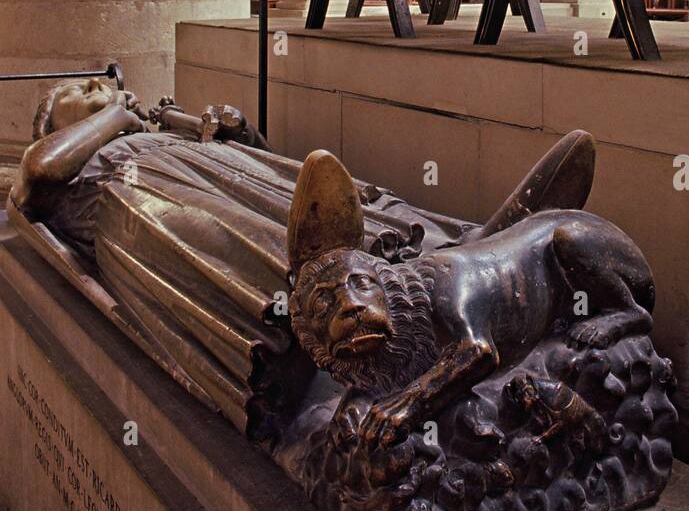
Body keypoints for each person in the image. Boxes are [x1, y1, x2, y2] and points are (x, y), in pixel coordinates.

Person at [11, 77, 467, 443]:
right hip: (141, 204)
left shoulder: (162, 132)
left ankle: (433, 295)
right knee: (240, 251)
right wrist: (118, 113)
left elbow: (283, 176)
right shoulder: (74, 165)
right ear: (56, 129)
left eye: (99, 88)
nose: (96, 86)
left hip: (223, 175)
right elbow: (39, 170)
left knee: (306, 220)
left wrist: (243, 134)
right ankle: (340, 366)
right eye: (75, 92)